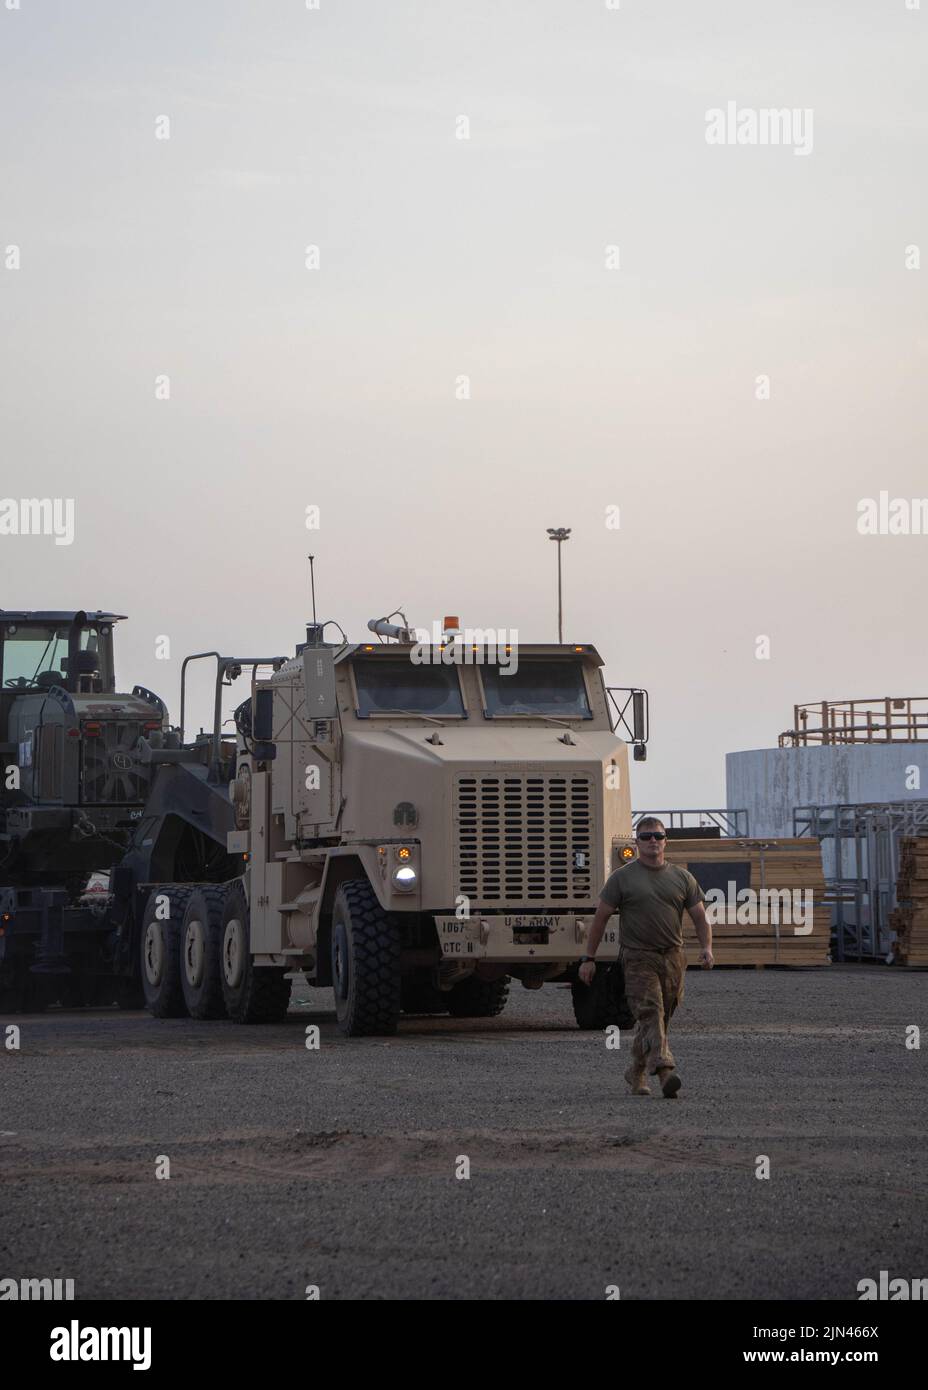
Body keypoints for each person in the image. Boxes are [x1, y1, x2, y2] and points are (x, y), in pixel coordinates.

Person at [578, 816, 714, 1098]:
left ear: (666, 841)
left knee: (660, 1020)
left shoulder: (682, 877)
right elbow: (601, 918)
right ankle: (665, 1071)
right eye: (646, 836)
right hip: (638, 958)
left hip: (673, 958)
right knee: (651, 1012)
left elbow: (700, 917)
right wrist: (588, 958)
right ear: (637, 842)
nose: (653, 841)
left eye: (658, 836)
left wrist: (706, 947)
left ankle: (636, 1072)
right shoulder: (622, 878)